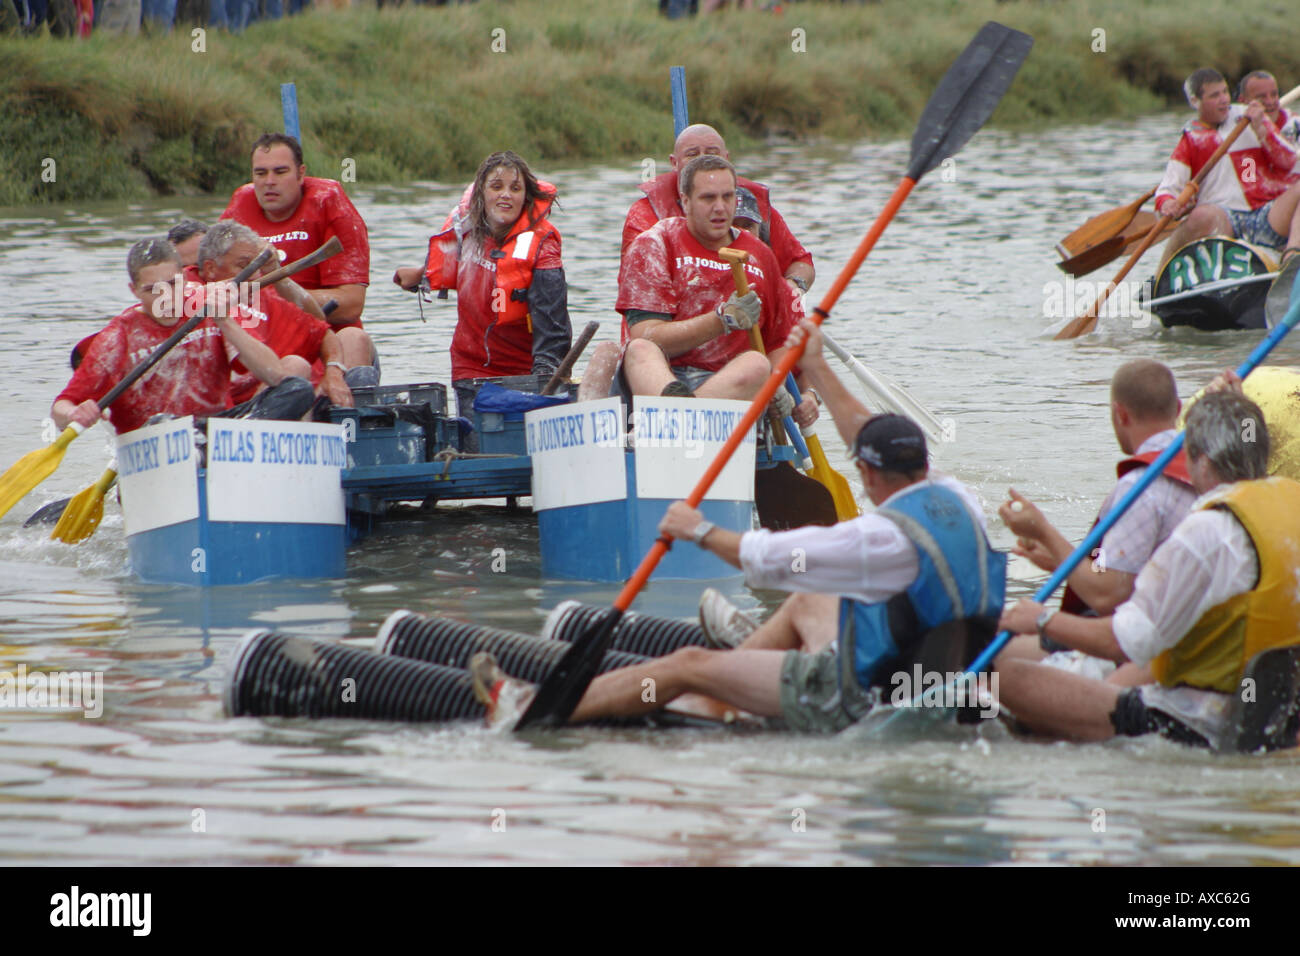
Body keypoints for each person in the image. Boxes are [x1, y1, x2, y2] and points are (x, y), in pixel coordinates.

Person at [472, 318, 1006, 732]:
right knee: (809, 599)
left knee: (688, 661)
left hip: (860, 695)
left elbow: (764, 560)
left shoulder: (873, 538)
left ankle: (532, 707)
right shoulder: (956, 497)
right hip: (934, 670)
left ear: (866, 470)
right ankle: (749, 670)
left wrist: (695, 529)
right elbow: (864, 429)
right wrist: (816, 367)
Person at [996, 391, 1300, 750]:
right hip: (1277, 708)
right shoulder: (1289, 504)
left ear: (1199, 462)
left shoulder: (1207, 530)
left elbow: (1121, 641)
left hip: (1200, 719)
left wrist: (1042, 620)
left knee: (1005, 680)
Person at [996, 360, 1197, 672]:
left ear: (1120, 414)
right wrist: (1057, 561)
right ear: (1178, 409)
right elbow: (1132, 572)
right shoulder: (1202, 467)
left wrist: (1043, 531)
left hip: (1138, 648)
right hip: (1185, 627)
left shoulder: (1141, 485)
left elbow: (1109, 594)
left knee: (991, 653)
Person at [616, 155, 813, 422]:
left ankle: (684, 418)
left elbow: (780, 344)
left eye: (727, 197)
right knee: (639, 349)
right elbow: (645, 335)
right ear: (685, 202)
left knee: (757, 364)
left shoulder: (760, 255)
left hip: (730, 388)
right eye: (708, 198)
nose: (720, 208)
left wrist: (793, 389)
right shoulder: (654, 243)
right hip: (663, 382)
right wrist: (721, 320)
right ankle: (680, 417)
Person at [52, 238, 312, 437]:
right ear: (133, 291)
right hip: (157, 439)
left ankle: (238, 443)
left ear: (185, 278)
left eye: (173, 284)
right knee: (163, 424)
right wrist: (74, 413)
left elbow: (275, 375)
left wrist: (225, 321)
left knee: (297, 389)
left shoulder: (208, 304)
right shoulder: (118, 337)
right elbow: (60, 408)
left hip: (217, 429)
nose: (167, 298)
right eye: (153, 290)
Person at [392, 150, 573, 384]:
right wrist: (420, 276)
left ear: (526, 198)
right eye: (496, 187)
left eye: (515, 189)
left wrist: (543, 377)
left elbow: (553, 328)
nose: (506, 195)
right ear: (481, 193)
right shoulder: (464, 232)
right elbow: (449, 266)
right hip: (470, 366)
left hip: (525, 369)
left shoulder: (542, 247)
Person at [221, 133, 376, 372]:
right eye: (260, 173)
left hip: (330, 340)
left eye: (280, 172)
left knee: (354, 337)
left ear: (301, 174)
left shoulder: (329, 202)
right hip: (266, 341)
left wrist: (281, 296)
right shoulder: (239, 206)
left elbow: (351, 305)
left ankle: (343, 403)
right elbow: (210, 280)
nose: (269, 182)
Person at [621, 124, 814, 297]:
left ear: (727, 159)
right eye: (692, 154)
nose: (703, 161)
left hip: (752, 313)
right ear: (674, 163)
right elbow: (635, 284)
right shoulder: (646, 214)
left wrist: (790, 290)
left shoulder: (753, 203)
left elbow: (800, 261)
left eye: (712, 153)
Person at [195, 221, 356, 407]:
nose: (255, 276)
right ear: (210, 269)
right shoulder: (187, 292)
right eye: (244, 266)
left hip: (265, 398)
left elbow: (320, 327)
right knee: (295, 368)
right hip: (221, 410)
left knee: (344, 343)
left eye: (257, 267)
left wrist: (334, 371)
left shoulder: (262, 294)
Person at [1155, 68, 1300, 272]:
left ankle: (1292, 256)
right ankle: (1159, 278)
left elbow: (1290, 163)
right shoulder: (1191, 139)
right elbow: (1167, 190)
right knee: (1200, 215)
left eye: (1224, 92)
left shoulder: (1247, 116)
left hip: (1265, 217)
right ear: (1196, 102)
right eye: (1215, 95)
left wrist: (1262, 129)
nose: (1224, 100)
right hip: (1224, 220)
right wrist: (1169, 204)